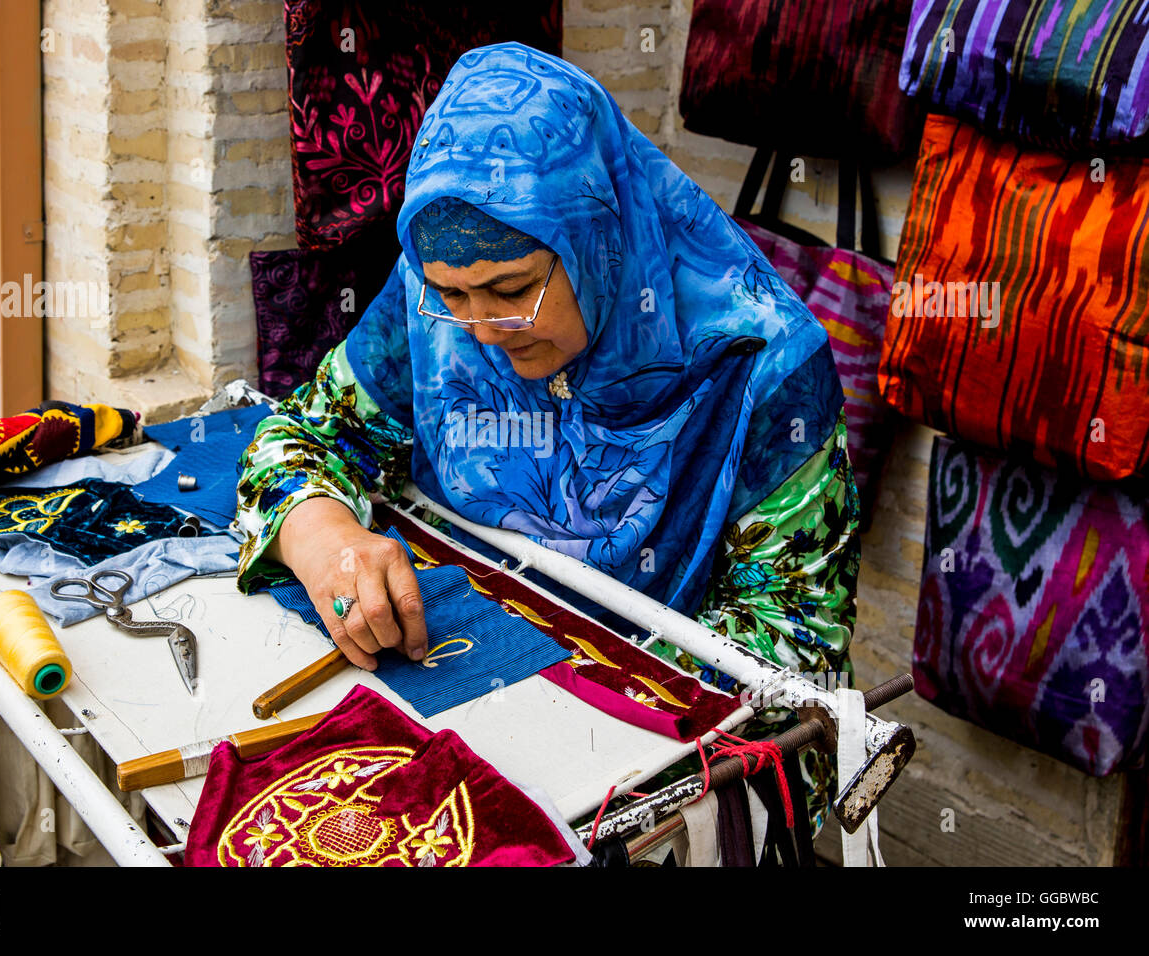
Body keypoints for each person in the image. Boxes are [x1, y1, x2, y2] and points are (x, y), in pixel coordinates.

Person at [234, 42, 861, 835]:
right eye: (450, 296)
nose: (482, 333)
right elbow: (307, 433)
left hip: (654, 770)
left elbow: (792, 661)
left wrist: (545, 710)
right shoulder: (440, 296)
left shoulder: (760, 365)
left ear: (595, 238)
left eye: (512, 290)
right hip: (467, 707)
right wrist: (323, 540)